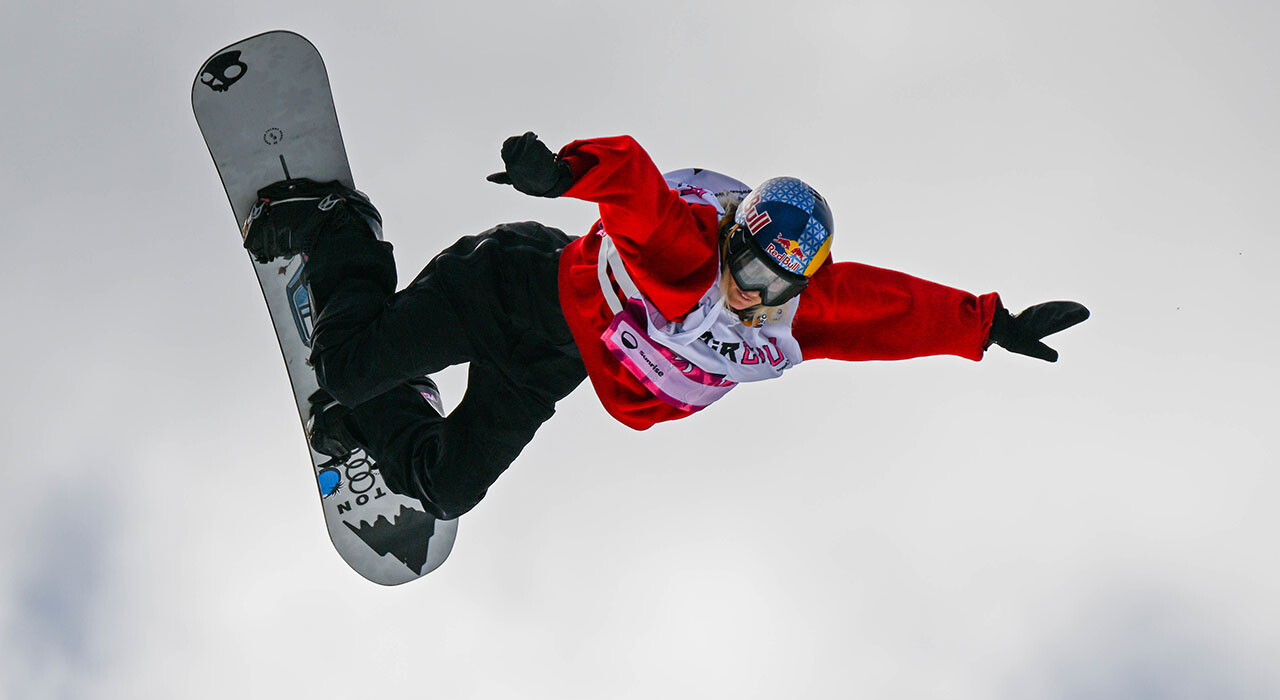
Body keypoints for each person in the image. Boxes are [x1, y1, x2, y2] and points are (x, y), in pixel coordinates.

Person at [242, 132, 1089, 520]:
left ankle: (389, 408)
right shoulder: (686, 244)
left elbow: (891, 309)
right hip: (509, 289)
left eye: (778, 284)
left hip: (551, 364)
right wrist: (564, 173)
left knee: (448, 490)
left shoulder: (795, 311)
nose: (753, 295)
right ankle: (339, 226)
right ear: (733, 239)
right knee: (342, 366)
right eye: (749, 269)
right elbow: (635, 184)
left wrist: (988, 325)